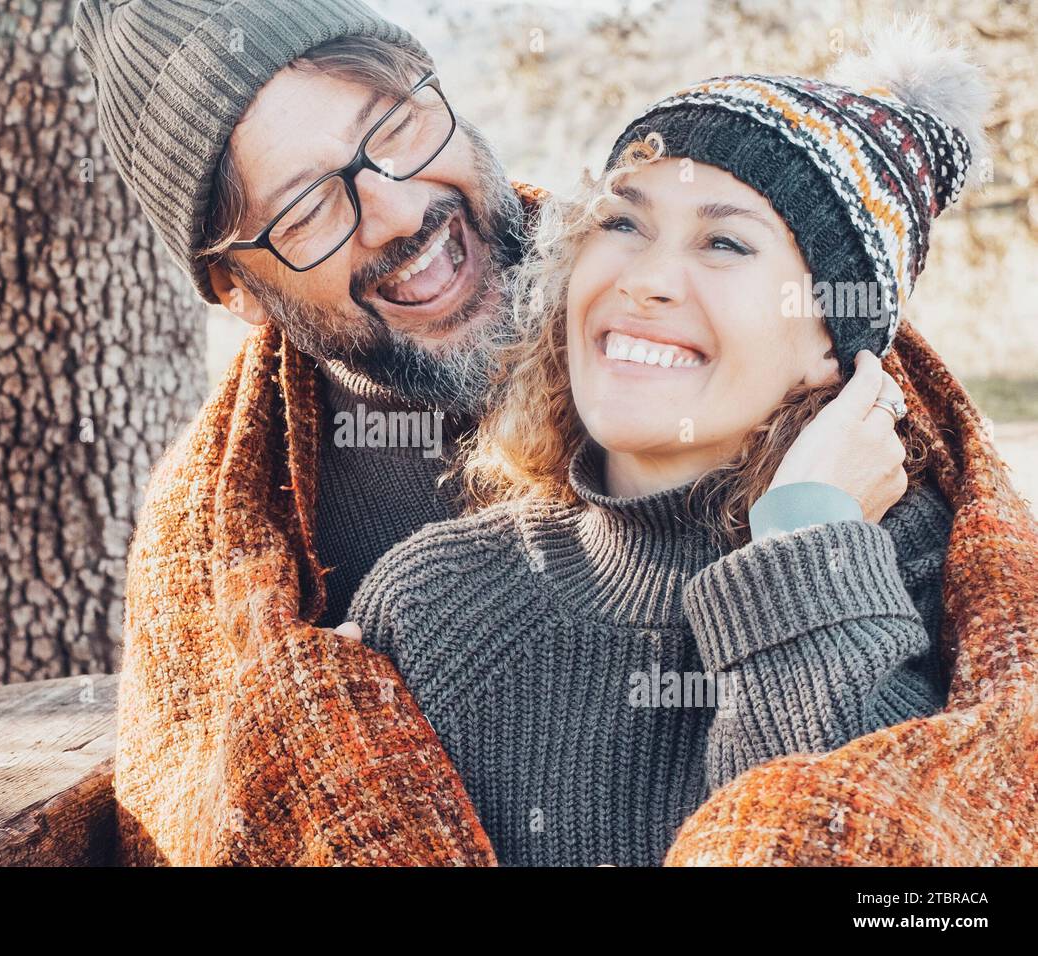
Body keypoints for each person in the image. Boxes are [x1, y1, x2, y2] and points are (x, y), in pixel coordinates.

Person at [74, 3, 1038, 866]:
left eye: (397, 127)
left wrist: (807, 543)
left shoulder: (919, 554)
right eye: (307, 205)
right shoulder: (375, 588)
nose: (400, 211)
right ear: (240, 291)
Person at [349, 57, 987, 861]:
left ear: (832, 344)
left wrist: (801, 546)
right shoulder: (435, 601)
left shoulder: (942, 596)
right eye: (622, 224)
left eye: (724, 242)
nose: (647, 279)